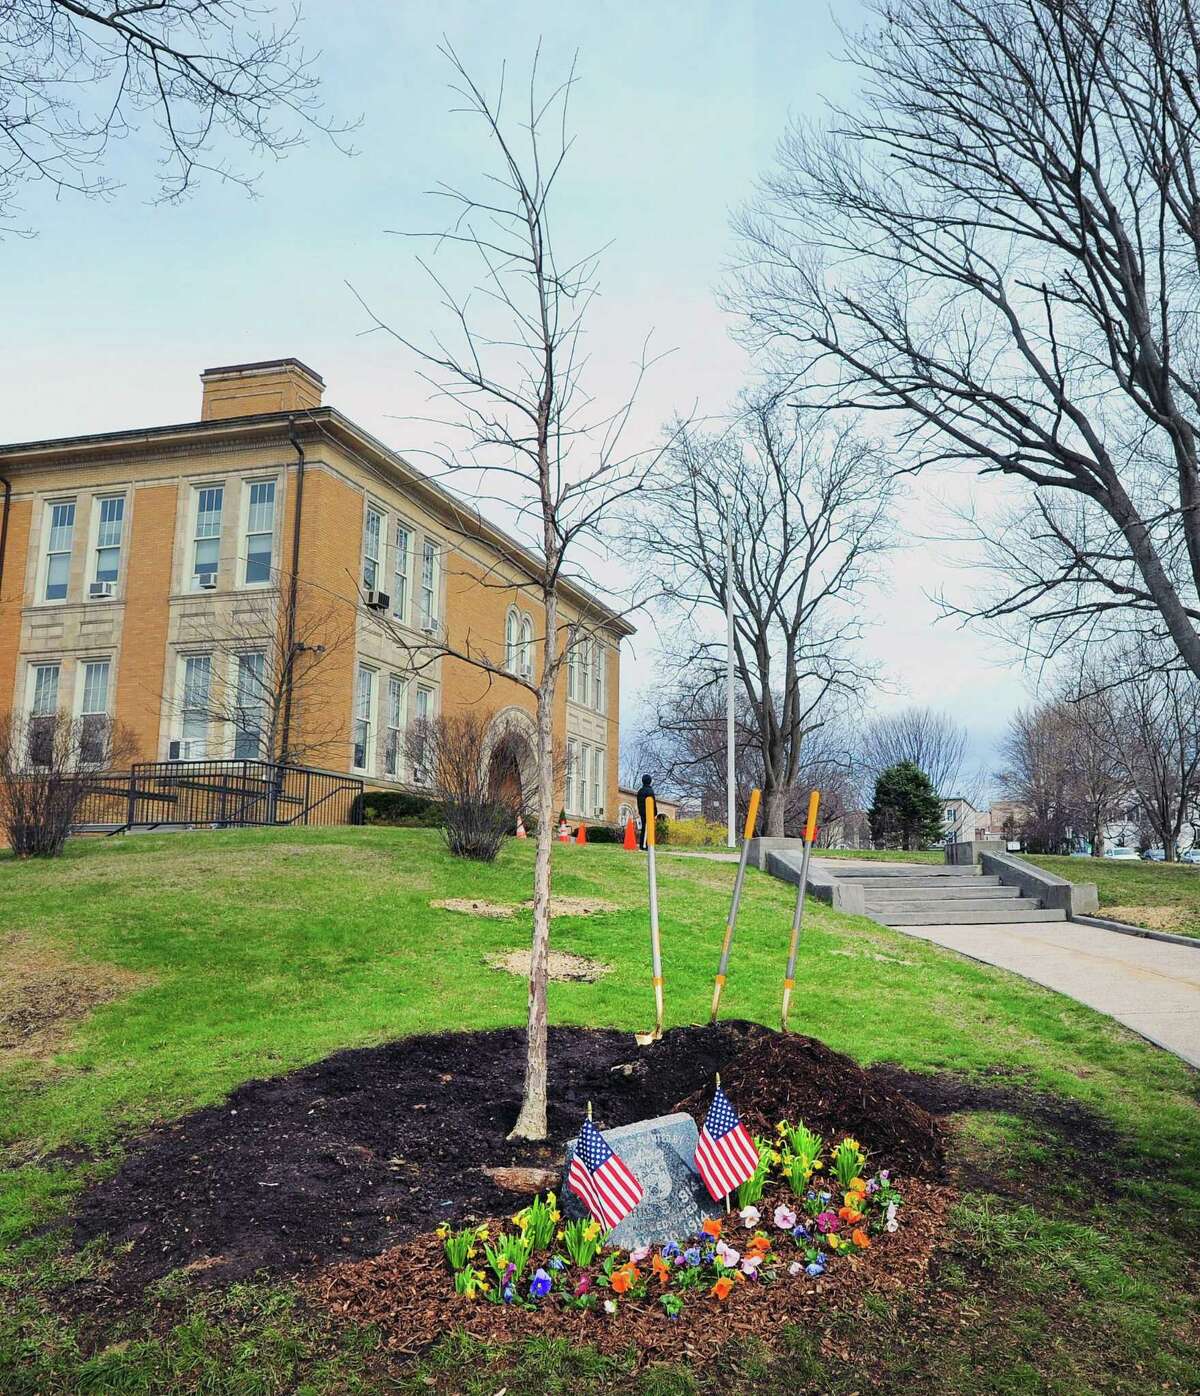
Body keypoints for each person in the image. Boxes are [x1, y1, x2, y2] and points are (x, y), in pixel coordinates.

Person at [636, 773, 656, 850]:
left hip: (642, 812)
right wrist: (655, 812)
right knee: (648, 829)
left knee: (644, 828)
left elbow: (639, 803)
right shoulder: (650, 791)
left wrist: (640, 811)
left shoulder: (640, 791)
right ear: (650, 781)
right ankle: (645, 845)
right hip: (649, 812)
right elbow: (653, 803)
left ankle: (643, 844)